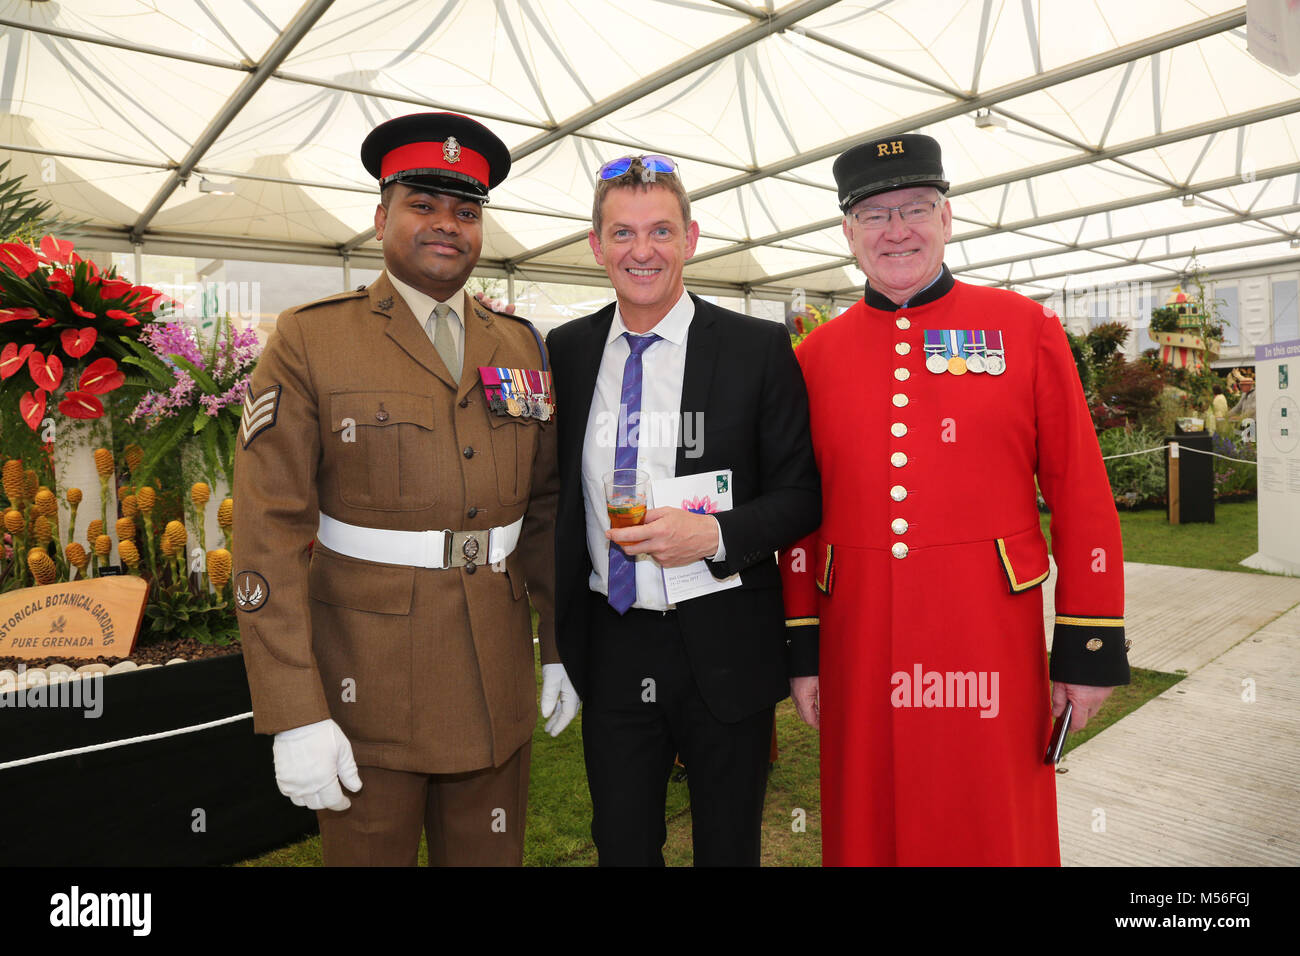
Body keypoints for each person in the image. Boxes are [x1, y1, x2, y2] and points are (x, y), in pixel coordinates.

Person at [232, 112, 574, 866]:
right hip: (366, 688)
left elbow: (544, 511)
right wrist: (294, 712)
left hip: (494, 682)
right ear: (382, 216)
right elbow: (269, 531)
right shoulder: (312, 339)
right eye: (424, 204)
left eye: (466, 211)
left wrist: (558, 648)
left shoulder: (518, 345)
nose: (446, 225)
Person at [780, 134, 1129, 866]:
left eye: (915, 208)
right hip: (859, 637)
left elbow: (1080, 493)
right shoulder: (813, 359)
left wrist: (1088, 647)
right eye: (874, 215)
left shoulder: (1024, 329)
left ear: (948, 218)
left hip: (988, 634)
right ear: (847, 234)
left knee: (990, 818)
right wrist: (802, 648)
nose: (896, 229)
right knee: (868, 816)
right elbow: (797, 513)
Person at [547, 155, 821, 866]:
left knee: (728, 847)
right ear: (596, 244)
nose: (643, 250)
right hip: (613, 639)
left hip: (723, 636)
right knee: (624, 845)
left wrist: (716, 533)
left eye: (661, 231)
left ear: (691, 238)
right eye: (624, 233)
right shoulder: (568, 352)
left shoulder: (756, 348)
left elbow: (802, 496)